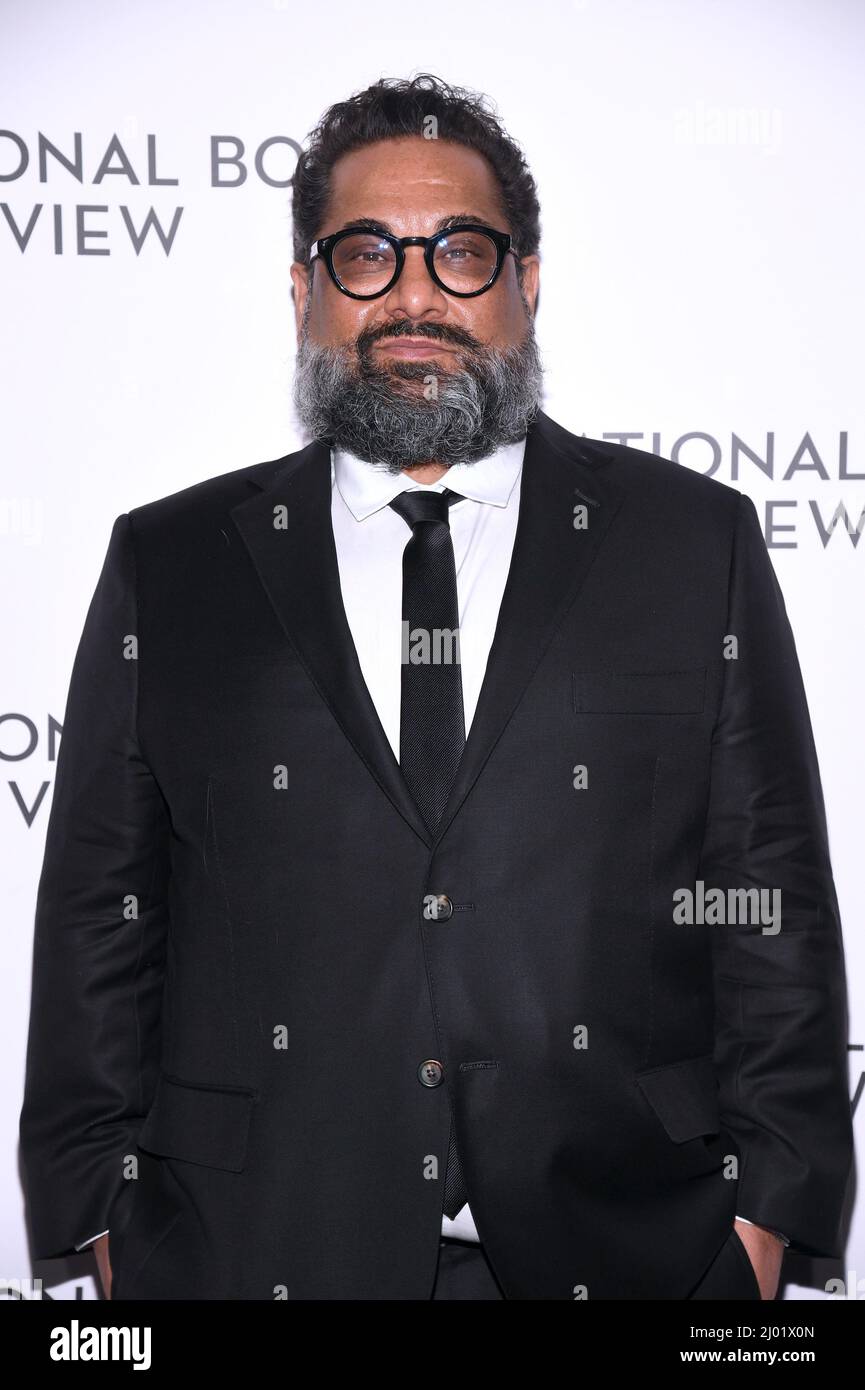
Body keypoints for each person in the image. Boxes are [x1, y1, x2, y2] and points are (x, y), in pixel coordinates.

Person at [20, 73, 853, 1301]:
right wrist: (92, 1213)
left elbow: (763, 903)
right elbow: (102, 912)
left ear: (526, 284)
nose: (415, 293)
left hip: (635, 1246)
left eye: (460, 251)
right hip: (253, 1251)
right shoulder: (173, 563)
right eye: (366, 255)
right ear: (304, 293)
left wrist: (770, 1226)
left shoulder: (692, 543)